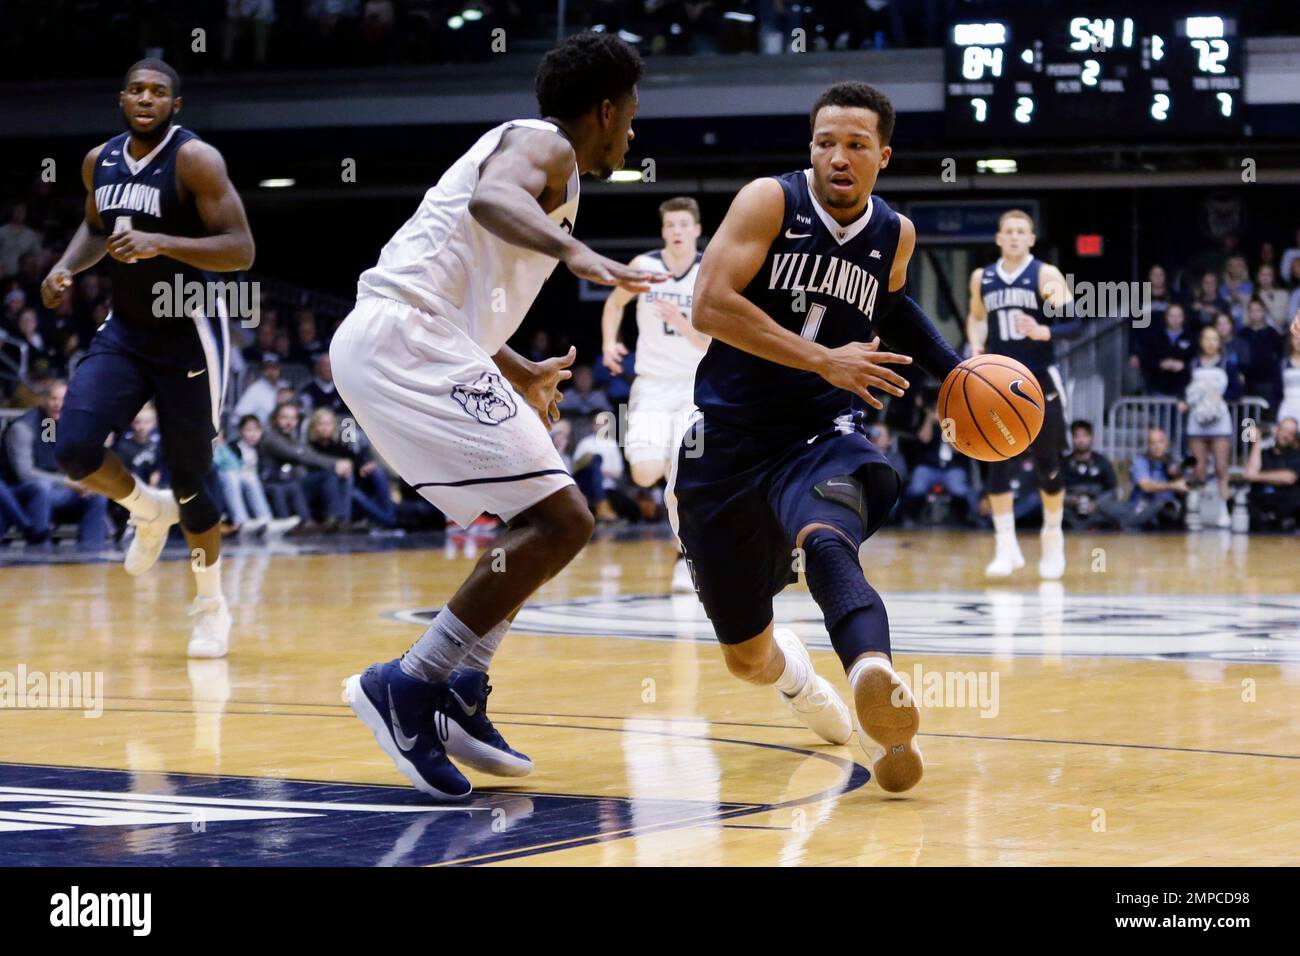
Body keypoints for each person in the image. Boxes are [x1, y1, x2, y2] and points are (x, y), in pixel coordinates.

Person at [330, 32, 660, 799]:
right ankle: (410, 684)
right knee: (563, 518)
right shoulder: (545, 148)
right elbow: (492, 199)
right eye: (633, 115)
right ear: (605, 110)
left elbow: (459, 282)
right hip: (402, 342)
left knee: (541, 520)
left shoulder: (541, 156)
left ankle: (459, 687)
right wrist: (578, 257)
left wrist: (513, 367)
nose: (634, 133)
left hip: (418, 340)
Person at [671, 81, 963, 794]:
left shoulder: (895, 233)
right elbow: (709, 304)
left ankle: (873, 675)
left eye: (856, 144)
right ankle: (800, 681)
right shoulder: (770, 201)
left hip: (819, 431)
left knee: (827, 537)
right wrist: (824, 358)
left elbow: (889, 303)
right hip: (727, 443)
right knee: (744, 655)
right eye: (825, 142)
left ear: (882, 156)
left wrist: (958, 372)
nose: (838, 156)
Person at [39, 59, 254, 658]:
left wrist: (163, 242)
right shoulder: (98, 160)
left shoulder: (196, 160)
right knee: (75, 449)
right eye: (136, 89)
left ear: (175, 106)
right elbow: (92, 228)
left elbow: (241, 250)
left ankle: (210, 606)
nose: (146, 98)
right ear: (122, 98)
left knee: (190, 480)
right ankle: (144, 508)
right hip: (126, 331)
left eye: (159, 91)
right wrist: (65, 266)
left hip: (190, 333)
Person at [601, 196, 709, 590]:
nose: (677, 231)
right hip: (650, 384)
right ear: (663, 231)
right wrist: (609, 343)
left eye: (684, 224)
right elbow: (614, 305)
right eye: (670, 225)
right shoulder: (643, 267)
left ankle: (687, 557)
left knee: (682, 472)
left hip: (692, 389)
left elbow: (713, 345)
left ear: (696, 230)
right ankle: (672, 470)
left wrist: (682, 323)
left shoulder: (709, 270)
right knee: (645, 471)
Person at [966, 208, 1077, 579]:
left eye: (1021, 231)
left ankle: (1052, 538)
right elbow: (977, 316)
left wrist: (1045, 332)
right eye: (1008, 231)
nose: (1014, 237)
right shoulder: (982, 278)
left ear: (1031, 239)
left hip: (1039, 380)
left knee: (1049, 465)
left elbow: (1074, 320)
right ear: (999, 238)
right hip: (998, 383)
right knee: (996, 460)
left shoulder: (1044, 274)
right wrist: (975, 343)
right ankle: (1006, 547)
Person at [1, 381, 109, 550]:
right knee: (41, 487)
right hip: (19, 494)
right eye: (54, 399)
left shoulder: (50, 424)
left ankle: (92, 553)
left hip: (53, 490)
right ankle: (40, 547)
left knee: (95, 494)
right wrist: (67, 482)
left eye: (64, 399)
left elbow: (51, 461)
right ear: (43, 400)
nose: (59, 404)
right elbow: (25, 474)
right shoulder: (22, 428)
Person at [1183, 325, 1243, 527]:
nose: (1210, 343)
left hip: (1219, 421)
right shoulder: (1193, 364)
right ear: (1201, 341)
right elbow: (1184, 389)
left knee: (1220, 468)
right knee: (1198, 469)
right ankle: (1195, 511)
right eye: (1206, 338)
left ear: (1219, 342)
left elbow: (1236, 390)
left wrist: (1219, 398)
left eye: (1214, 339)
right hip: (1197, 422)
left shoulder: (1227, 364)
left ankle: (1224, 511)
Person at [216, 414, 299, 538]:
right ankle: (241, 521)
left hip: (250, 479)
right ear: (240, 431)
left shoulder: (263, 446)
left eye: (256, 430)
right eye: (248, 430)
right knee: (233, 476)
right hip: (225, 478)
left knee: (251, 478)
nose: (252, 434)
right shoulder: (231, 447)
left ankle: (266, 520)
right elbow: (224, 465)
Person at [1242, 417, 1300, 531]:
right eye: (1284, 430)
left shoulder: (1297, 456)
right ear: (1277, 430)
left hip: (1287, 512)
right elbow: (1249, 473)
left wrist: (1257, 477)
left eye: (1290, 433)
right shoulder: (1263, 454)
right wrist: (1257, 441)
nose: (1286, 435)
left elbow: (1289, 477)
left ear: (1294, 437)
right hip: (1260, 509)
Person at [1061, 419, 1117, 530]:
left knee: (1115, 510)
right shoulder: (1064, 463)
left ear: (1091, 438)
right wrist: (1070, 500)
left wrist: (1096, 504)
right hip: (1071, 509)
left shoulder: (1102, 462)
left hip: (1098, 506)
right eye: (1077, 436)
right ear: (1072, 439)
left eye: (1084, 436)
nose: (1081, 440)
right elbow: (1056, 491)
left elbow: (1113, 491)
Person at [1139, 302, 1195, 397]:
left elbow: (1195, 359)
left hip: (1184, 390)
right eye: (1172, 316)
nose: (1175, 320)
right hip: (1158, 388)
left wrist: (1184, 365)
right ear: (1166, 317)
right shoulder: (1154, 337)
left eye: (1179, 316)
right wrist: (1160, 364)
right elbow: (1146, 360)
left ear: (1184, 318)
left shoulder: (1192, 338)